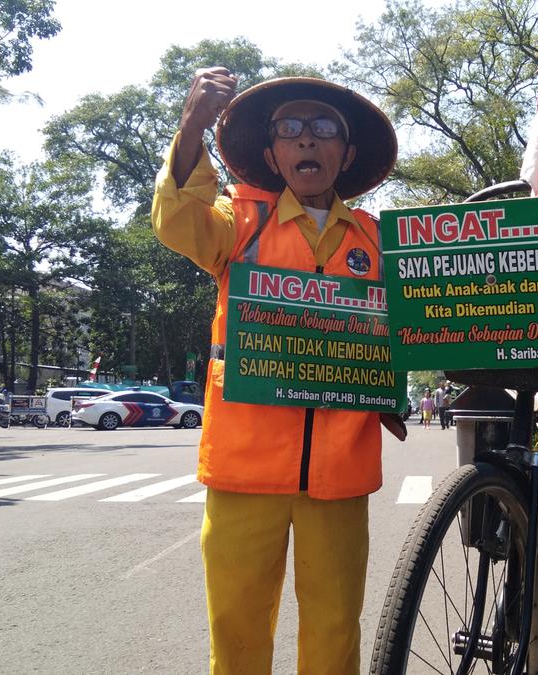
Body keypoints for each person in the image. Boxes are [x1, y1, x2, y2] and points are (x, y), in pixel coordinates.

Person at [152, 70, 399, 673]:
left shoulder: (380, 239)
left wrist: (388, 379)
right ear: (272, 154)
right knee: (236, 624)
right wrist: (192, 124)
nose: (306, 141)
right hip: (244, 466)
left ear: (347, 153)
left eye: (323, 130)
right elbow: (176, 218)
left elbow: (426, 318)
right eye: (291, 130)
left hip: (341, 468)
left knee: (336, 626)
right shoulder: (239, 223)